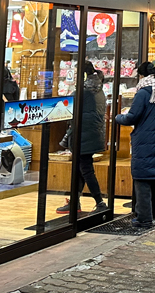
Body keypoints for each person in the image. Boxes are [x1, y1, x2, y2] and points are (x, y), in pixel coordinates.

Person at [115, 61, 155, 228]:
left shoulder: (144, 92)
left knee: (142, 177)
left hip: (145, 140)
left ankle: (144, 218)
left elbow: (132, 117)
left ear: (142, 76)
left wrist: (118, 117)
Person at [57, 66, 107, 214]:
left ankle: (100, 202)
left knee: (85, 169)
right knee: (81, 169)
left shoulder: (83, 92)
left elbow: (65, 108)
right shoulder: (99, 90)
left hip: (82, 136)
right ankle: (75, 202)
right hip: (93, 135)